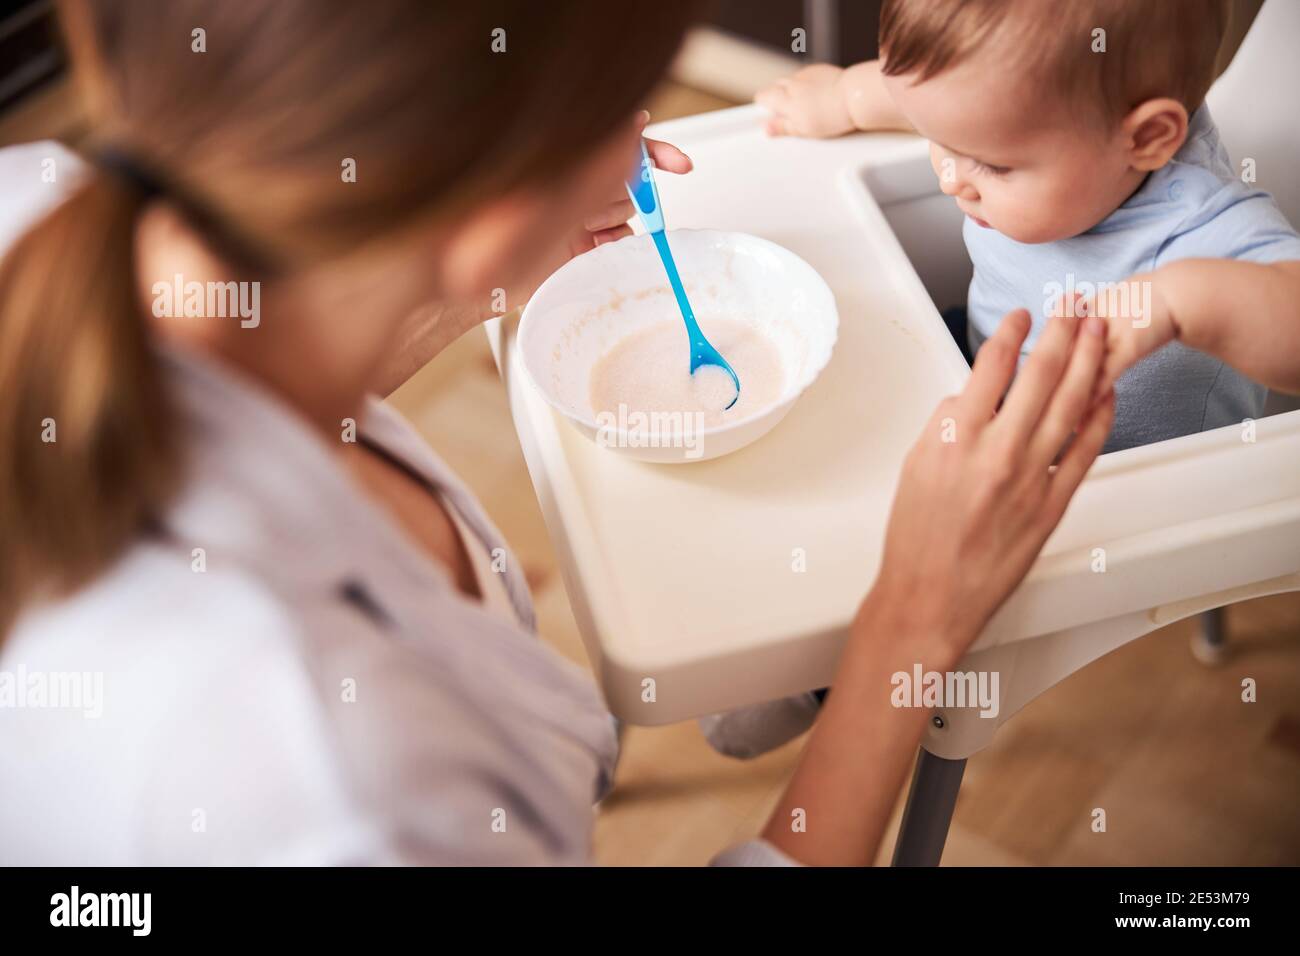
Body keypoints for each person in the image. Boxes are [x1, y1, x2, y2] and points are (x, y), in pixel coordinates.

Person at [0, 0, 1112, 866]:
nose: (641, 141)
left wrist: (457, 280)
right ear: (488, 210)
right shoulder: (343, 786)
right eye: (632, 102)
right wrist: (910, 619)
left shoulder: (57, 209)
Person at [757, 0, 1300, 453]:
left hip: (1119, 486)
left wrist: (1182, 301)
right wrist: (846, 98)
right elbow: (949, 97)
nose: (951, 178)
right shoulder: (1029, 110)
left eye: (992, 165)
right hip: (980, 370)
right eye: (936, 139)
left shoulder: (1200, 225)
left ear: (1145, 138)